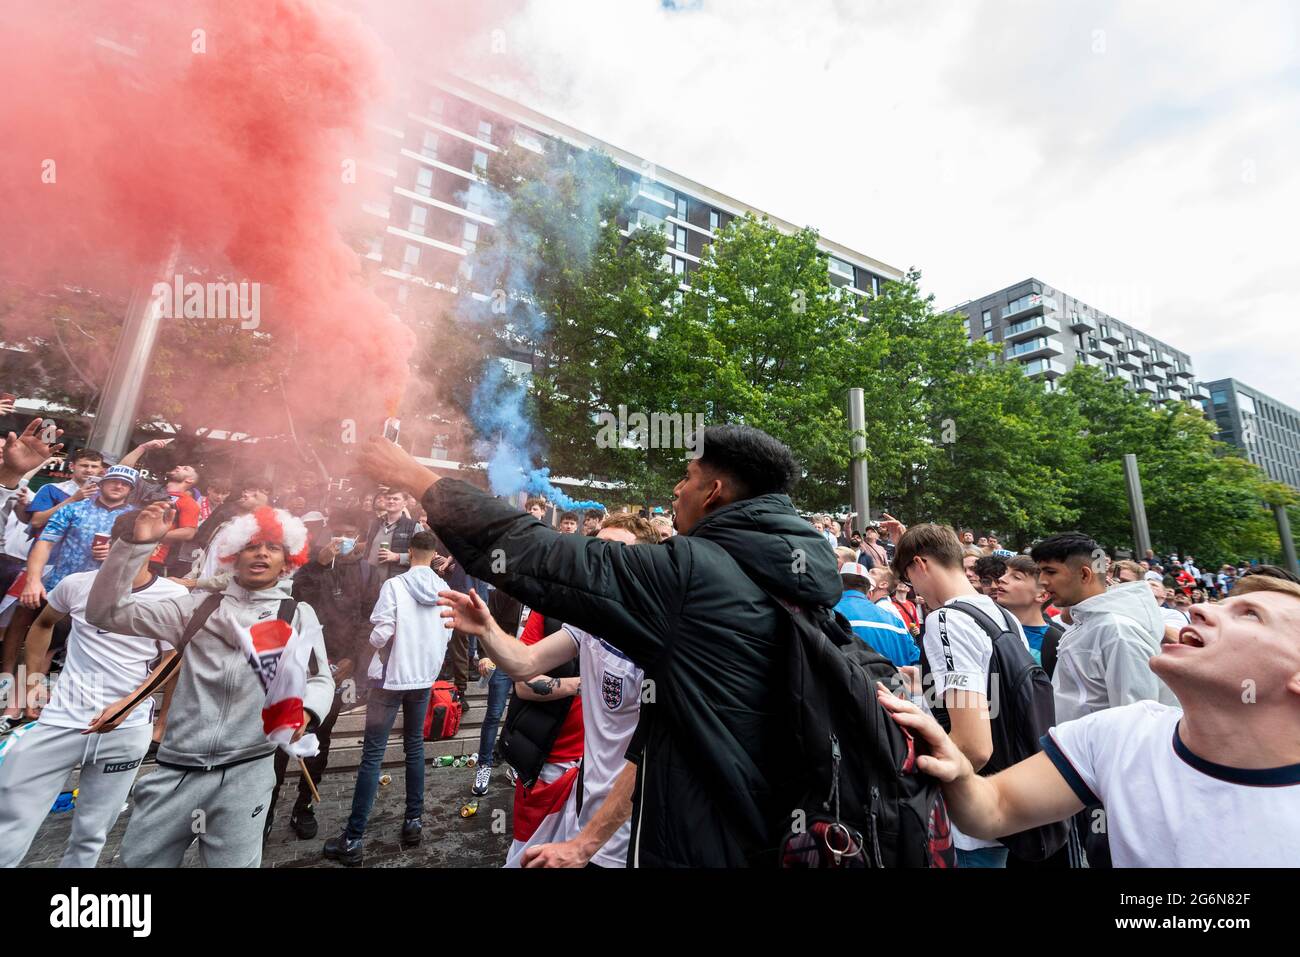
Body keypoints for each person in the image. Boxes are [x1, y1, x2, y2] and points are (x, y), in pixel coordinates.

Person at [364, 424, 841, 867]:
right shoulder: (788, 581)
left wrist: (414, 475)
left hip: (679, 839)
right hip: (753, 833)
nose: (676, 488)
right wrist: (490, 633)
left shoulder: (693, 576)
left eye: (687, 476)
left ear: (713, 491)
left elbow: (537, 552)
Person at [876, 573, 1300, 867]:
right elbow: (995, 810)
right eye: (1220, 601)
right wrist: (955, 767)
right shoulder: (1118, 732)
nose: (1204, 609)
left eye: (1249, 615)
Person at [85, 500, 332, 867]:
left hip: (248, 773)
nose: (261, 552)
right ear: (233, 554)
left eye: (273, 547)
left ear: (288, 560)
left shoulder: (296, 614)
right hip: (176, 771)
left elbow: (319, 678)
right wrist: (132, 548)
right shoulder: (194, 608)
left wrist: (307, 713)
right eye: (251, 545)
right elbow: (105, 612)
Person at [0, 512, 187, 867]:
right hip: (62, 719)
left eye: (143, 542)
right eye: (126, 541)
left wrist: (152, 716)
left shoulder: (173, 594)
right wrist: (32, 683)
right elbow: (43, 623)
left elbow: (174, 659)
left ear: (156, 548)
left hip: (125, 730)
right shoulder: (77, 583)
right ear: (112, 545)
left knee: (90, 835)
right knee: (10, 814)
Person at [886, 520, 1030, 868]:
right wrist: (926, 688)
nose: (915, 591)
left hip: (961, 825)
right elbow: (991, 699)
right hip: (1001, 808)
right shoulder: (1004, 617)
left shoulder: (947, 620)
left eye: (909, 579)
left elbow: (974, 746)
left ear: (920, 564)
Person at [323, 531, 450, 866]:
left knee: (372, 756)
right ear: (434, 553)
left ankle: (352, 839)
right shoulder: (444, 589)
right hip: (423, 679)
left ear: (409, 552)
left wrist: (374, 653)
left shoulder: (394, 585)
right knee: (415, 748)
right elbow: (448, 631)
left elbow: (381, 631)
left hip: (391, 678)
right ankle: (413, 823)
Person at [266, 509, 380, 841]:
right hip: (301, 664)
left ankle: (304, 807)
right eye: (337, 532)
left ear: (359, 540)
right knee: (281, 737)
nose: (342, 539)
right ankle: (267, 808)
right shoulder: (313, 569)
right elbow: (297, 598)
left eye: (349, 534)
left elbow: (369, 619)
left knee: (319, 739)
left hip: (340, 667)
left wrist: (351, 659)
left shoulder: (369, 574)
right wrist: (318, 564)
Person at [1030, 532, 1178, 725]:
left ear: (1084, 574)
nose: (1042, 580)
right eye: (1040, 571)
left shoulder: (1119, 631)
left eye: (1050, 571)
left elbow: (1136, 723)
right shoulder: (1088, 623)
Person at [833, 562, 919, 669]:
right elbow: (916, 661)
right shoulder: (895, 622)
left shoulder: (827, 614)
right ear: (869, 589)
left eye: (873, 572)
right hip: (892, 684)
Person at [994, 556, 1064, 674]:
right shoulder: (992, 628)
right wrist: (995, 693)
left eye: (1016, 577)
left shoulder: (1056, 643)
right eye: (1005, 573)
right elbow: (994, 678)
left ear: (1042, 595)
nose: (1001, 579)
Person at [365, 489, 418, 582]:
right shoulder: (375, 524)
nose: (391, 501)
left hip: (395, 584)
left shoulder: (414, 526)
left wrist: (397, 557)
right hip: (370, 583)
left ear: (405, 503)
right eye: (388, 498)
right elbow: (367, 552)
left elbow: (425, 557)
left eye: (395, 499)